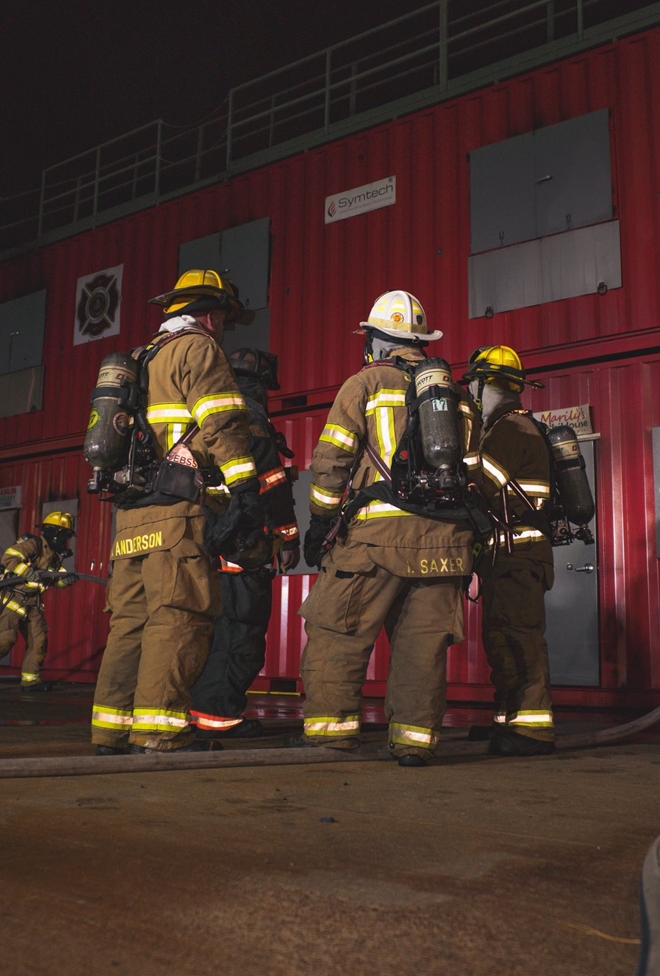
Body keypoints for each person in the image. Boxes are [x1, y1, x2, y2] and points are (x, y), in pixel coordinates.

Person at [291, 290, 481, 767]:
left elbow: (332, 460)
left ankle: (330, 736)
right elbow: (472, 470)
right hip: (446, 544)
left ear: (376, 340)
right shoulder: (457, 396)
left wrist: (320, 521)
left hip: (376, 541)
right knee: (422, 646)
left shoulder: (366, 383)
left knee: (337, 632)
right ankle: (414, 743)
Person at [90, 269, 265, 756]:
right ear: (210, 314)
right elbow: (221, 421)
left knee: (128, 622)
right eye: (225, 319)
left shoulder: (142, 359)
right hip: (177, 513)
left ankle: (110, 730)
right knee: (177, 617)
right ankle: (159, 730)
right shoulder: (198, 348)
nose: (225, 328)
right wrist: (244, 486)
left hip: (130, 515)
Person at [190, 347, 300, 739]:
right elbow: (270, 485)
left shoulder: (201, 417)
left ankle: (192, 710)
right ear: (258, 386)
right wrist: (289, 537)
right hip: (241, 552)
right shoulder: (252, 419)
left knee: (203, 631)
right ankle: (217, 715)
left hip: (199, 546)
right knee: (241, 635)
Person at [463, 345, 555, 756]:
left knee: (520, 640)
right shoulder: (506, 426)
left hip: (519, 556)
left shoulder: (510, 429)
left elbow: (478, 485)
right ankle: (508, 721)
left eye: (474, 385)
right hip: (508, 557)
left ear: (485, 384)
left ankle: (532, 730)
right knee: (503, 639)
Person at [0, 511, 78, 692]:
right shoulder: (33, 545)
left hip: (33, 603)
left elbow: (54, 581)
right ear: (55, 533)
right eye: (65, 536)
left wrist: (66, 580)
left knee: (39, 641)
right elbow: (9, 557)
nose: (65, 541)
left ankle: (31, 681)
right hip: (12, 597)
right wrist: (26, 572)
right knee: (6, 638)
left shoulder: (53, 558)